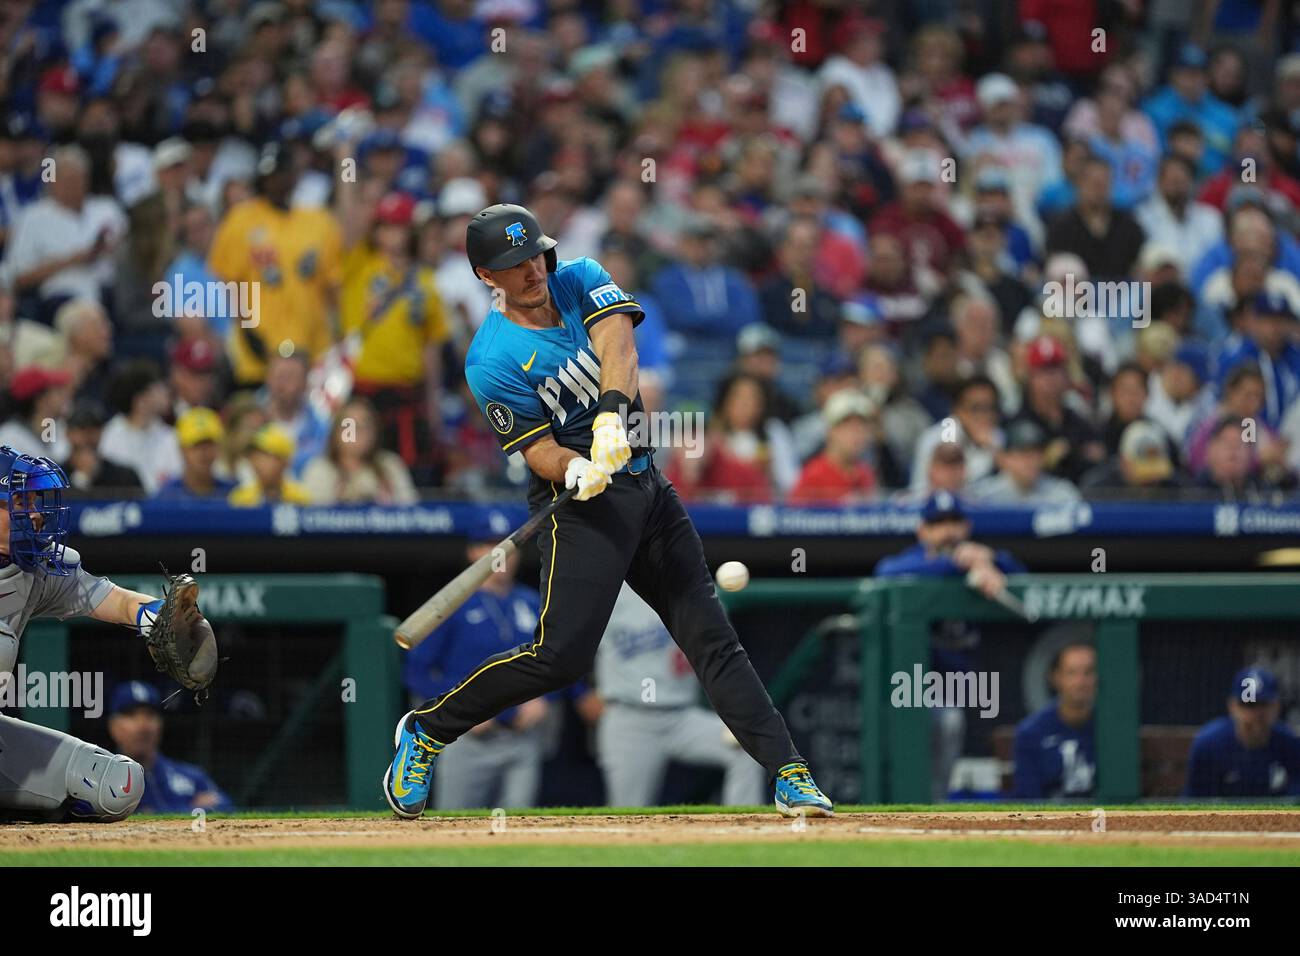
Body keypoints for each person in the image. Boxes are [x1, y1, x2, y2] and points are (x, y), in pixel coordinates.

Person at [383, 203, 832, 819]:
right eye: (515, 264)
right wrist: (573, 467)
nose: (534, 270)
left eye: (536, 253)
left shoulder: (579, 274)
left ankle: (789, 772)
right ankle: (428, 730)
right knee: (558, 658)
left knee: (710, 637)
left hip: (644, 483)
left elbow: (618, 345)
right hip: (582, 505)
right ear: (487, 274)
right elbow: (534, 447)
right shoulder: (488, 359)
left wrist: (610, 415)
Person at [0, 447, 213, 822]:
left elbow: (110, 599)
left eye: (34, 500)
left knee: (117, 785)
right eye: (19, 501)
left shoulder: (33, 568)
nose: (33, 513)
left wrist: (157, 617)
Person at [875, 492, 1027, 799]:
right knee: (943, 720)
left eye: (954, 522)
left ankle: (934, 805)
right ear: (923, 531)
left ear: (967, 526)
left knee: (951, 719)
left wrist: (989, 561)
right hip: (902, 688)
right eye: (938, 524)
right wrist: (957, 566)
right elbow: (885, 574)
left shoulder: (982, 560)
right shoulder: (910, 564)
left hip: (962, 686)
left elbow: (1023, 579)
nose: (948, 531)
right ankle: (920, 803)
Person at [401, 515, 550, 810]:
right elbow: (417, 672)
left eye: (506, 545)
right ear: (472, 552)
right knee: (455, 824)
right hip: (467, 738)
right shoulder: (451, 605)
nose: (499, 554)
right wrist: (461, 711)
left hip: (521, 736)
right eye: (488, 545)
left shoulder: (532, 602)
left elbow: (556, 660)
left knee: (521, 829)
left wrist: (545, 698)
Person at [595, 582, 765, 807]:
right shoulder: (609, 592)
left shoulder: (696, 589)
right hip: (630, 719)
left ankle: (746, 831)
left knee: (747, 747)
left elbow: (721, 657)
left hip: (682, 717)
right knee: (628, 811)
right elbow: (569, 647)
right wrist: (581, 693)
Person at [207, 143, 342, 385]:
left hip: (312, 349)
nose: (275, 183)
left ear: (293, 175)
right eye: (269, 177)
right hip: (259, 352)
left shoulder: (319, 222)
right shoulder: (241, 220)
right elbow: (229, 283)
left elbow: (332, 288)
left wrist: (336, 338)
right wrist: (248, 332)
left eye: (280, 174)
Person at [3, 145, 126, 323]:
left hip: (113, 292)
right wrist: (73, 260)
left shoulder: (107, 208)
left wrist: (114, 247)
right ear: (52, 181)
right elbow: (18, 278)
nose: (74, 185)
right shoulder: (33, 216)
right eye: (67, 179)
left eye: (79, 178)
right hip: (62, 297)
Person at [105, 681, 234, 814]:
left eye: (150, 715)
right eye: (131, 715)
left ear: (161, 724)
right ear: (113, 727)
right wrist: (193, 808)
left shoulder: (190, 776)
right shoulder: (101, 783)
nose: (142, 726)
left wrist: (153, 813)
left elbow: (226, 806)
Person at [1185, 667, 1300, 798]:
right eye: (1248, 705)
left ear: (1276, 706)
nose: (1256, 713)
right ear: (1232, 706)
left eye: (1262, 704)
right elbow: (1195, 802)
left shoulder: (1289, 743)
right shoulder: (1209, 744)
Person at [1012, 642, 1098, 799]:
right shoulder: (1031, 732)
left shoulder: (1112, 729)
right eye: (1072, 673)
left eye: (1088, 672)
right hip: (1050, 819)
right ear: (1056, 677)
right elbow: (1027, 798)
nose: (1081, 682)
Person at [301, 398, 418, 505]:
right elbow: (311, 517)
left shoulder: (390, 465)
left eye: (366, 426)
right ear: (336, 432)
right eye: (351, 426)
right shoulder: (319, 468)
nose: (359, 432)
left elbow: (411, 513)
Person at [98, 360, 182, 494]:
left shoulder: (169, 436)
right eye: (159, 388)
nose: (167, 393)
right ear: (141, 398)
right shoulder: (112, 434)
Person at [788, 390, 877, 504]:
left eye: (861, 427)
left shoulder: (865, 473)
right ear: (830, 431)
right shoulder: (814, 476)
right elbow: (794, 518)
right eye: (847, 427)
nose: (856, 434)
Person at [62, 404, 143, 496]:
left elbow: (143, 508)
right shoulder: (52, 477)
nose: (87, 436)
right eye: (81, 429)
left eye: (93, 429)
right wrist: (81, 478)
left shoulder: (125, 477)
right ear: (67, 433)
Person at [156, 408, 237, 500]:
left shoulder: (234, 496)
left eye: (209, 444)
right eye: (196, 445)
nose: (204, 452)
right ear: (182, 450)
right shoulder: (167, 497)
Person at [227, 423, 312, 506]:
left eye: (265, 455)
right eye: (254, 455)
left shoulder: (301, 500)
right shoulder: (240, 500)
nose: (256, 462)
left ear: (285, 462)